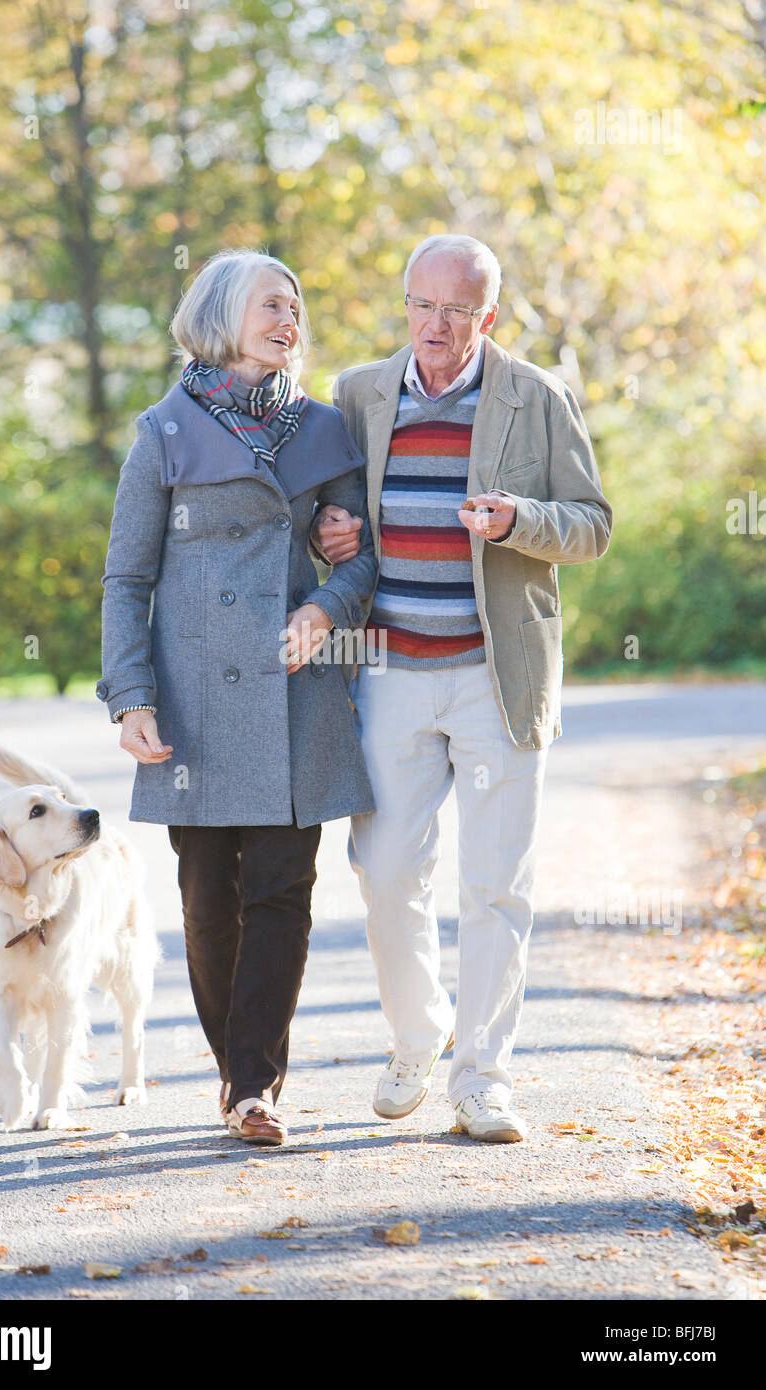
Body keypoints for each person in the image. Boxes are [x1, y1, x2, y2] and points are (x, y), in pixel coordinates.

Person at [311, 233, 612, 1142]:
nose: (436, 325)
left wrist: (522, 519)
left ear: (488, 317)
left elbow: (593, 525)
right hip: (392, 672)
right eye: (422, 305)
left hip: (498, 677)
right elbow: (334, 518)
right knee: (386, 871)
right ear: (405, 304)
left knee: (496, 885)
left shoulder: (537, 396)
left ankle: (483, 1077)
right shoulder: (358, 393)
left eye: (457, 310)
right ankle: (420, 1032)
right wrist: (332, 534)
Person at [96, 249, 376, 1146]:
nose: (289, 319)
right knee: (207, 893)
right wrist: (130, 694)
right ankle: (234, 1070)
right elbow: (126, 576)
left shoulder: (324, 428)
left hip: (295, 687)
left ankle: (256, 1083)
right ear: (221, 314)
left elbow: (360, 550)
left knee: (284, 889)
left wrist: (328, 606)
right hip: (196, 698)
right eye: (271, 304)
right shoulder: (165, 432)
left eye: (296, 306)